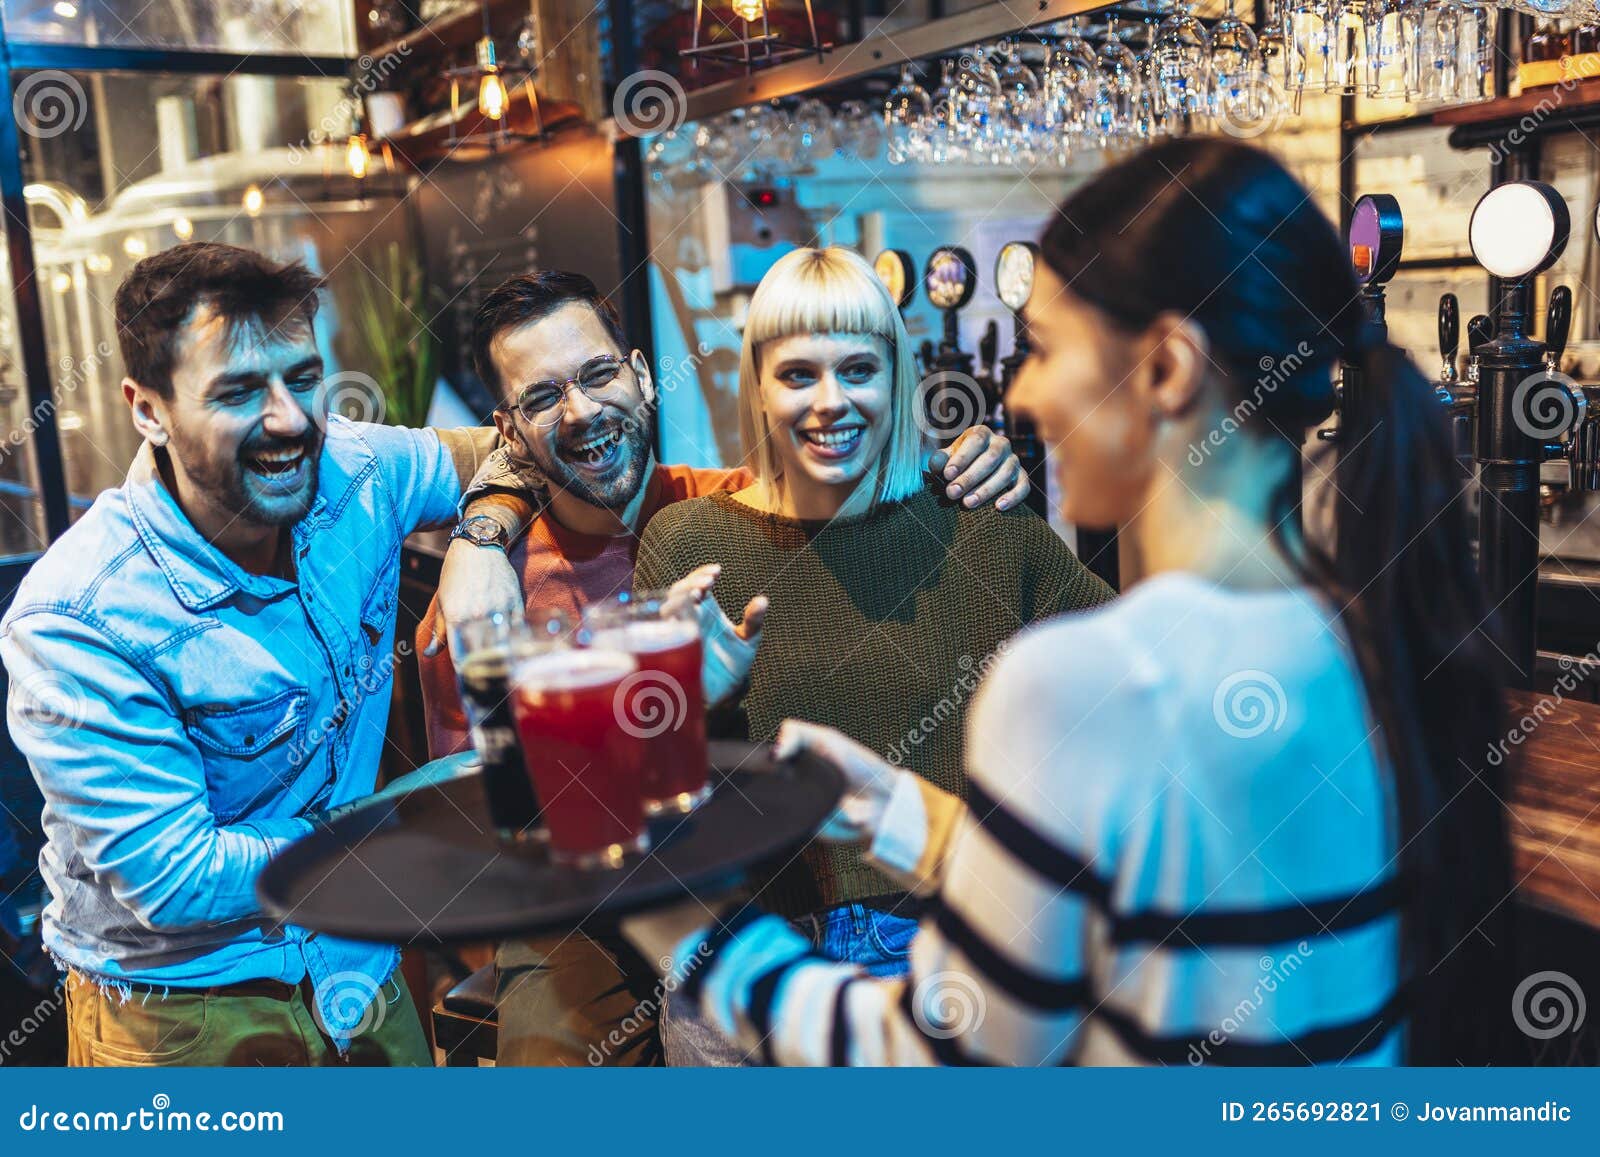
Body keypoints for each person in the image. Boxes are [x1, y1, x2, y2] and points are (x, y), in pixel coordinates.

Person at [626, 139, 1512, 1066]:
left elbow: (937, 1055)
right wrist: (896, 806)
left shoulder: (1081, 679)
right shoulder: (1373, 632)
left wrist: (692, 929)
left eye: (1045, 349)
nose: (1021, 392)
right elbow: (1148, 936)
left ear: (1167, 370)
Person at [412, 270, 1030, 1066]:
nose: (582, 412)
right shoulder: (478, 604)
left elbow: (859, 485)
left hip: (740, 889)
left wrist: (973, 463)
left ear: (639, 373)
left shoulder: (729, 514)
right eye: (543, 397)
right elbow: (487, 830)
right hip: (578, 914)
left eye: (599, 375)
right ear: (507, 428)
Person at [0, 242, 527, 1066]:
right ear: (148, 409)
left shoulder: (357, 471)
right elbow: (177, 881)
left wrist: (482, 537)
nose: (291, 419)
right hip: (185, 1007)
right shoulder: (80, 612)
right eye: (240, 391)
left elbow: (508, 448)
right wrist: (406, 817)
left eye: (304, 377)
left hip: (361, 955)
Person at [631, 246, 1115, 1063]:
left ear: (897, 377)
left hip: (941, 947)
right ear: (757, 384)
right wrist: (690, 701)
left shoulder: (985, 526)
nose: (831, 402)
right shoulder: (686, 542)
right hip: (746, 952)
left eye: (859, 368)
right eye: (798, 375)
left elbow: (1132, 680)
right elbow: (630, 793)